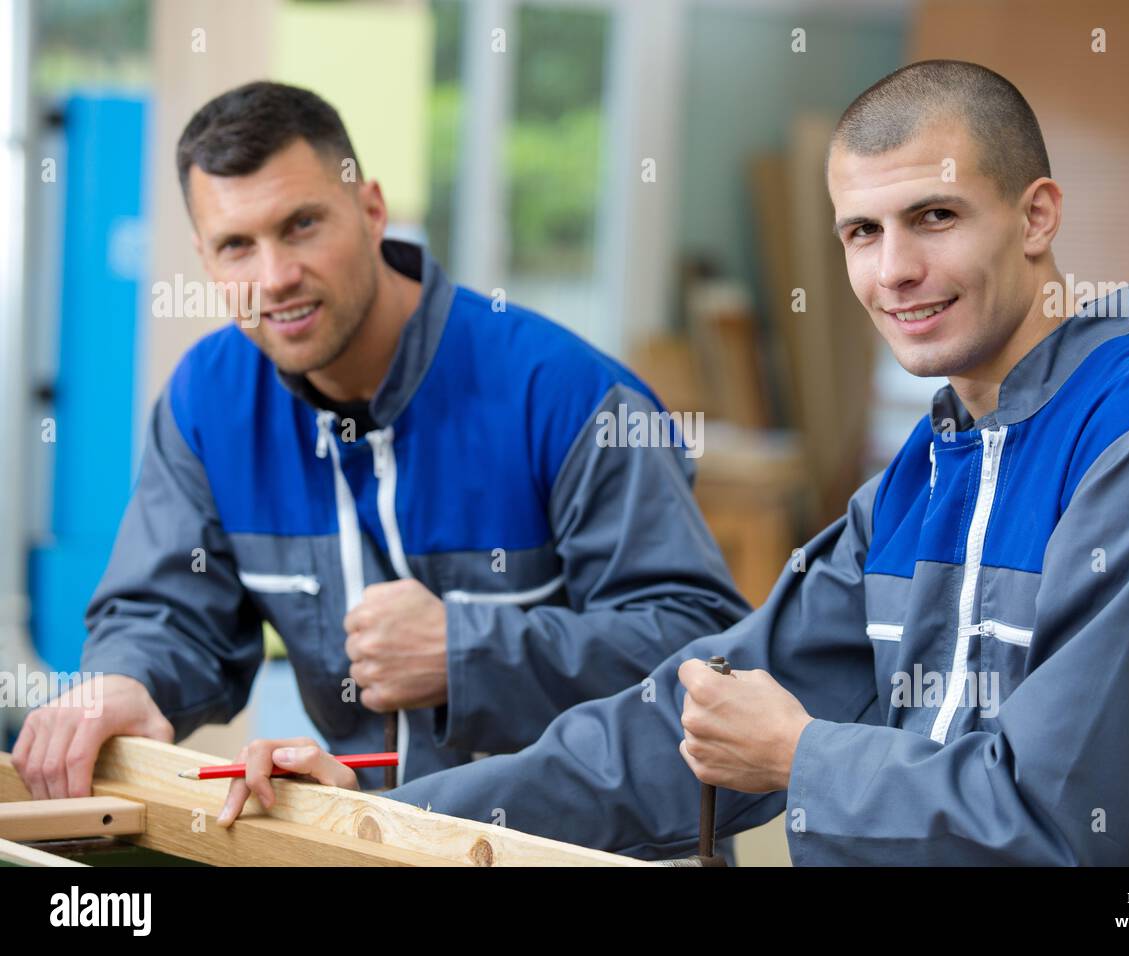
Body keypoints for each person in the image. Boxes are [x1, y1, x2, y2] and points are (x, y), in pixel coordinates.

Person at [218, 60, 1129, 865]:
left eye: (933, 217)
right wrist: (395, 815)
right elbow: (686, 714)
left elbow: (1078, 826)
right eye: (860, 233)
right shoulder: (927, 473)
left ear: (1036, 215)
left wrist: (804, 758)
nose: (896, 270)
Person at [12, 81, 750, 802]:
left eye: (302, 225)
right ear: (207, 262)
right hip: (377, 841)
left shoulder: (569, 397)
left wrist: (469, 653)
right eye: (237, 245)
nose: (276, 277)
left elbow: (702, 648)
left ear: (371, 211)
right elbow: (166, 614)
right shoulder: (210, 402)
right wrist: (126, 678)